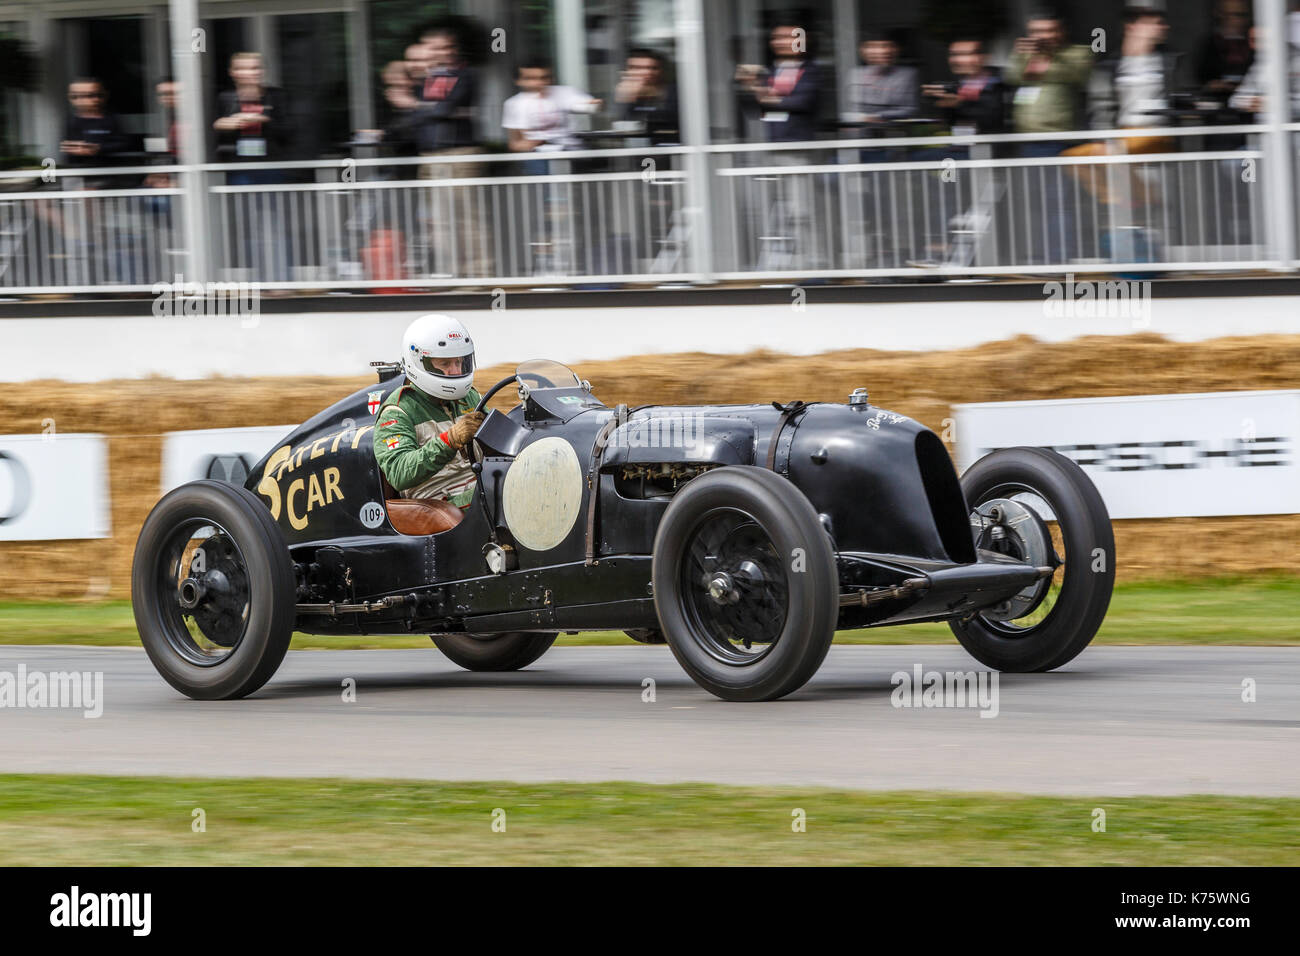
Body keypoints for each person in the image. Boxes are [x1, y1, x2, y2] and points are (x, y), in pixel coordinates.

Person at [1005, 11, 1093, 264]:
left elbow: (1077, 75)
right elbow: (1012, 77)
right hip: (1027, 141)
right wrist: (1017, 54)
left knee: (1058, 202)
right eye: (1036, 32)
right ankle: (1045, 257)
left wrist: (1050, 54)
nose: (1041, 37)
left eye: (1048, 31)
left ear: (1060, 32)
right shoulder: (1026, 54)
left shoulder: (1078, 52)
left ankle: (1059, 260)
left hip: (1059, 139)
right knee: (1038, 204)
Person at [373, 314, 484, 509]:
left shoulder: (471, 398)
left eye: (459, 362)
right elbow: (398, 473)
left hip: (480, 484)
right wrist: (449, 440)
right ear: (419, 362)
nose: (456, 371)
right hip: (437, 502)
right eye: (445, 364)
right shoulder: (398, 412)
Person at [735, 23, 822, 143]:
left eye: (786, 37)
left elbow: (801, 103)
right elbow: (753, 111)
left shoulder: (810, 70)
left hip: (797, 143)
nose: (779, 42)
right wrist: (748, 86)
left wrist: (766, 98)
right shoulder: (769, 71)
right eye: (776, 38)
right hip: (767, 142)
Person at [502, 59, 602, 162]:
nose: (539, 83)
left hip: (572, 152)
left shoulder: (565, 92)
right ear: (518, 81)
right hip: (538, 157)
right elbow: (515, 144)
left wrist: (594, 104)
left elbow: (593, 105)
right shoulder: (514, 104)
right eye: (531, 78)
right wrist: (536, 142)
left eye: (544, 78)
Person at [922, 38, 1007, 141]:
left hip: (996, 147)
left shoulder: (1002, 79)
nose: (957, 60)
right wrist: (936, 103)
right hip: (962, 146)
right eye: (953, 55)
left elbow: (996, 118)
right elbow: (945, 123)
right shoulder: (953, 84)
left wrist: (960, 101)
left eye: (965, 54)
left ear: (983, 57)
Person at [849, 32, 919, 134]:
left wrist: (877, 116)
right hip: (860, 136)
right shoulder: (855, 74)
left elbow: (909, 109)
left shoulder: (907, 74)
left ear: (897, 50)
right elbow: (851, 109)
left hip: (894, 135)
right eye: (875, 46)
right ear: (863, 51)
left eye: (889, 46)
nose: (884, 51)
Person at [614, 47, 680, 145]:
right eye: (637, 68)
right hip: (637, 152)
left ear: (662, 71)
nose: (647, 72)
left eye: (653, 68)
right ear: (627, 71)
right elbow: (619, 126)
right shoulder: (624, 92)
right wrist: (624, 100)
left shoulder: (674, 92)